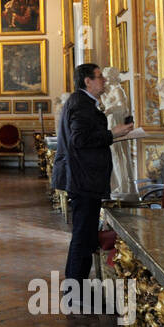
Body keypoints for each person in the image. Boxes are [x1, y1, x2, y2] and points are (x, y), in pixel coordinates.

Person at [51, 63, 134, 302]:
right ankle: (74, 292)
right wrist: (112, 134)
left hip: (84, 177)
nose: (104, 82)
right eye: (99, 78)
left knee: (85, 236)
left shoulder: (83, 102)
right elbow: (80, 139)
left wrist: (112, 135)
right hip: (83, 179)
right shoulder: (81, 104)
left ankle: (76, 288)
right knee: (82, 234)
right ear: (87, 81)